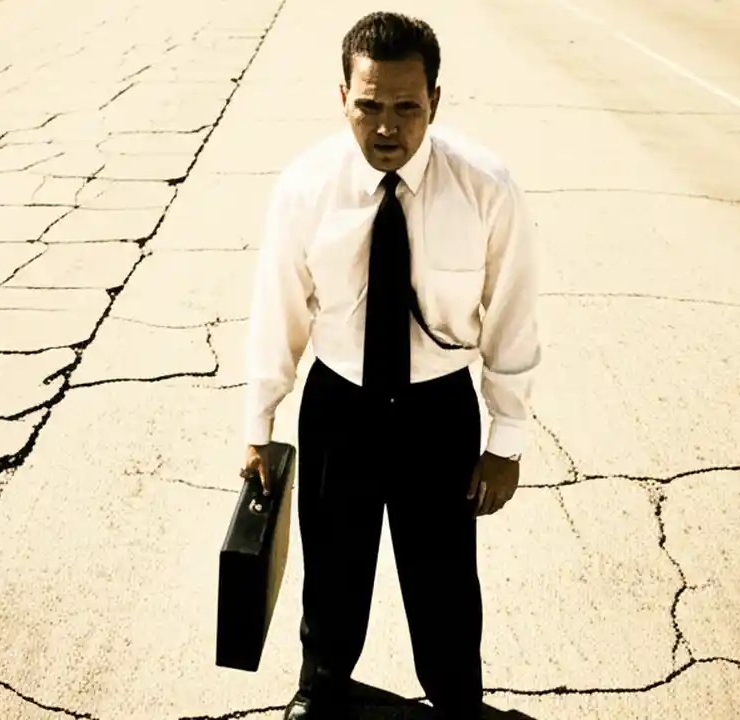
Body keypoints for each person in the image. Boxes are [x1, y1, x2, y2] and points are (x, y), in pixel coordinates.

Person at [240, 10, 540, 720]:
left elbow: (513, 315)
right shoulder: (307, 186)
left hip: (438, 410)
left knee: (443, 575)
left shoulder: (485, 188)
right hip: (340, 402)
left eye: (407, 107)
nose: (386, 127)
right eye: (368, 105)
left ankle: (457, 697)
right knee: (334, 566)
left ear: (436, 100)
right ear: (340, 96)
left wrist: (506, 442)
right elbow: (277, 307)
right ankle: (321, 687)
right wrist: (258, 421)